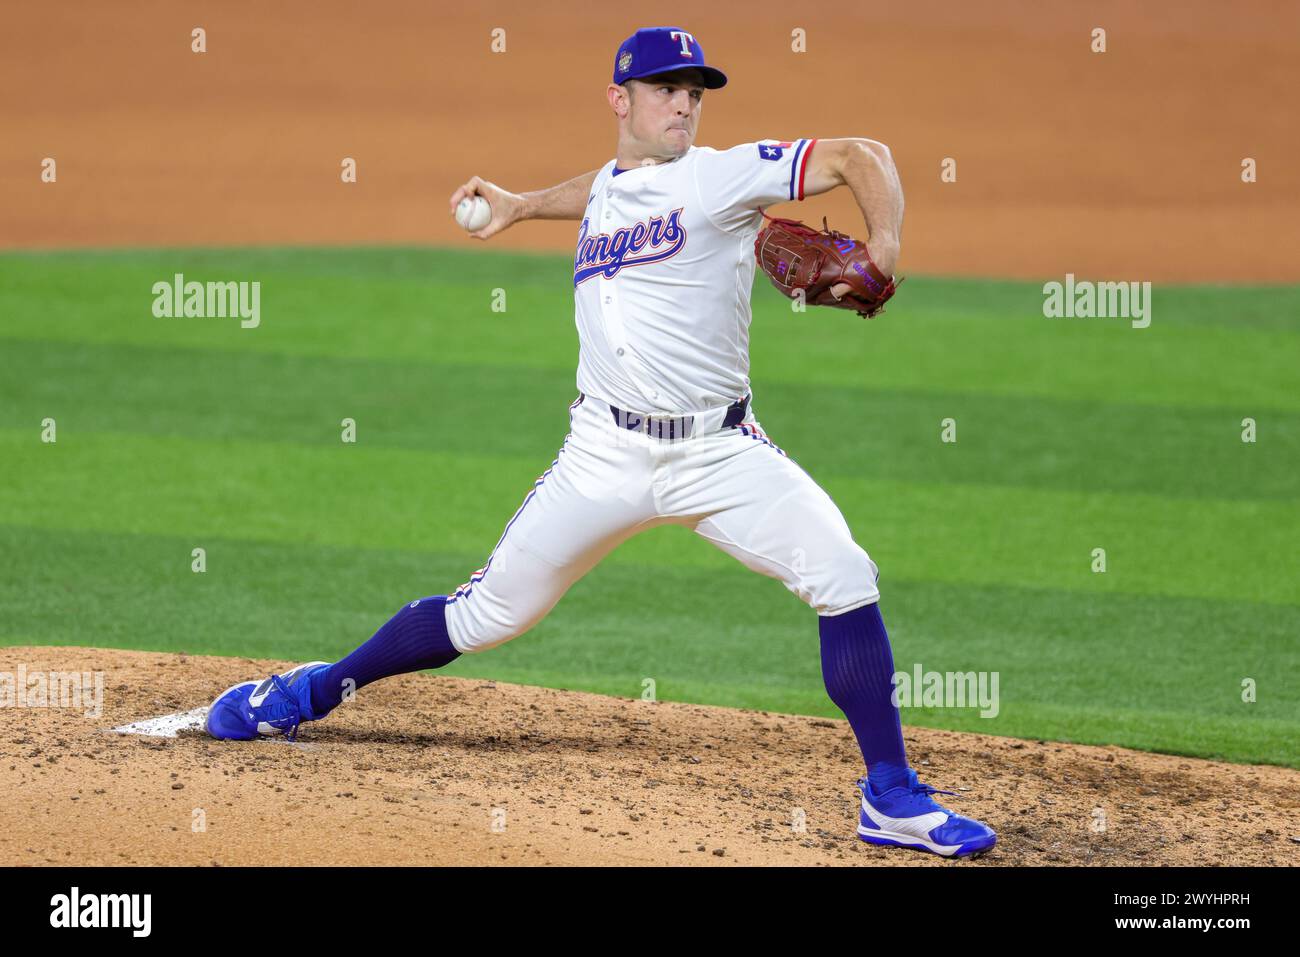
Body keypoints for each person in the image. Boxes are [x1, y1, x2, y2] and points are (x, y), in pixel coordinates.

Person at [206, 26, 996, 858]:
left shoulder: (720, 175)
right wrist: (518, 204)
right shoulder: (621, 186)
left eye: (693, 89)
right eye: (664, 87)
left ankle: (893, 796)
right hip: (602, 456)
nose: (684, 101)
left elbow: (862, 154)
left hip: (719, 453)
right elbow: (606, 189)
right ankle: (306, 691)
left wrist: (886, 246)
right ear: (619, 99)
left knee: (843, 571)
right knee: (486, 614)